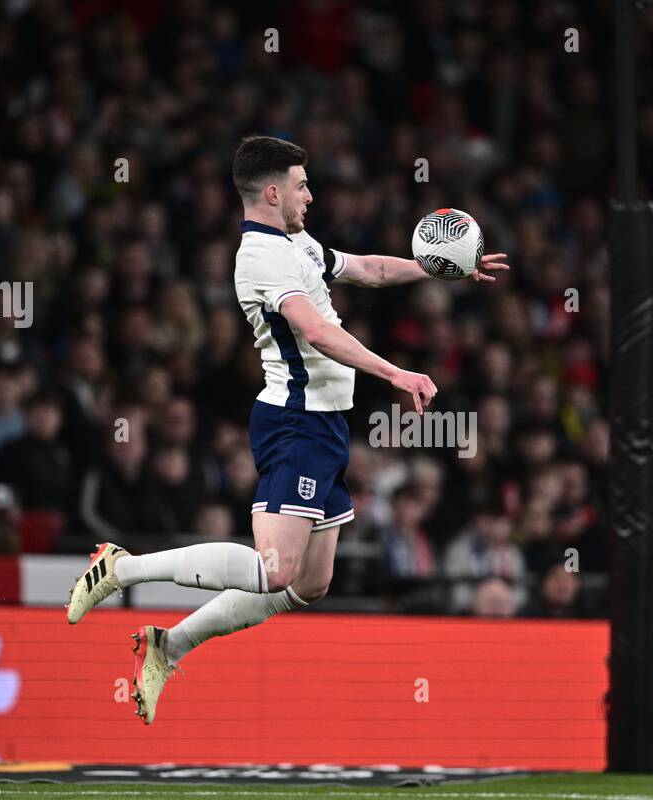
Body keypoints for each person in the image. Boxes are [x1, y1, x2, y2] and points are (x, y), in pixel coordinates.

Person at [64, 135, 509, 723]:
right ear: (272, 192)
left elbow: (367, 269)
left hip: (325, 429)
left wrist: (442, 266)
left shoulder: (295, 241)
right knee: (273, 568)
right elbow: (317, 332)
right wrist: (394, 372)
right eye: (302, 185)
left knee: (309, 584)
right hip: (294, 424)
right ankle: (120, 568)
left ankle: (168, 646)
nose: (312, 194)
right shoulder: (260, 256)